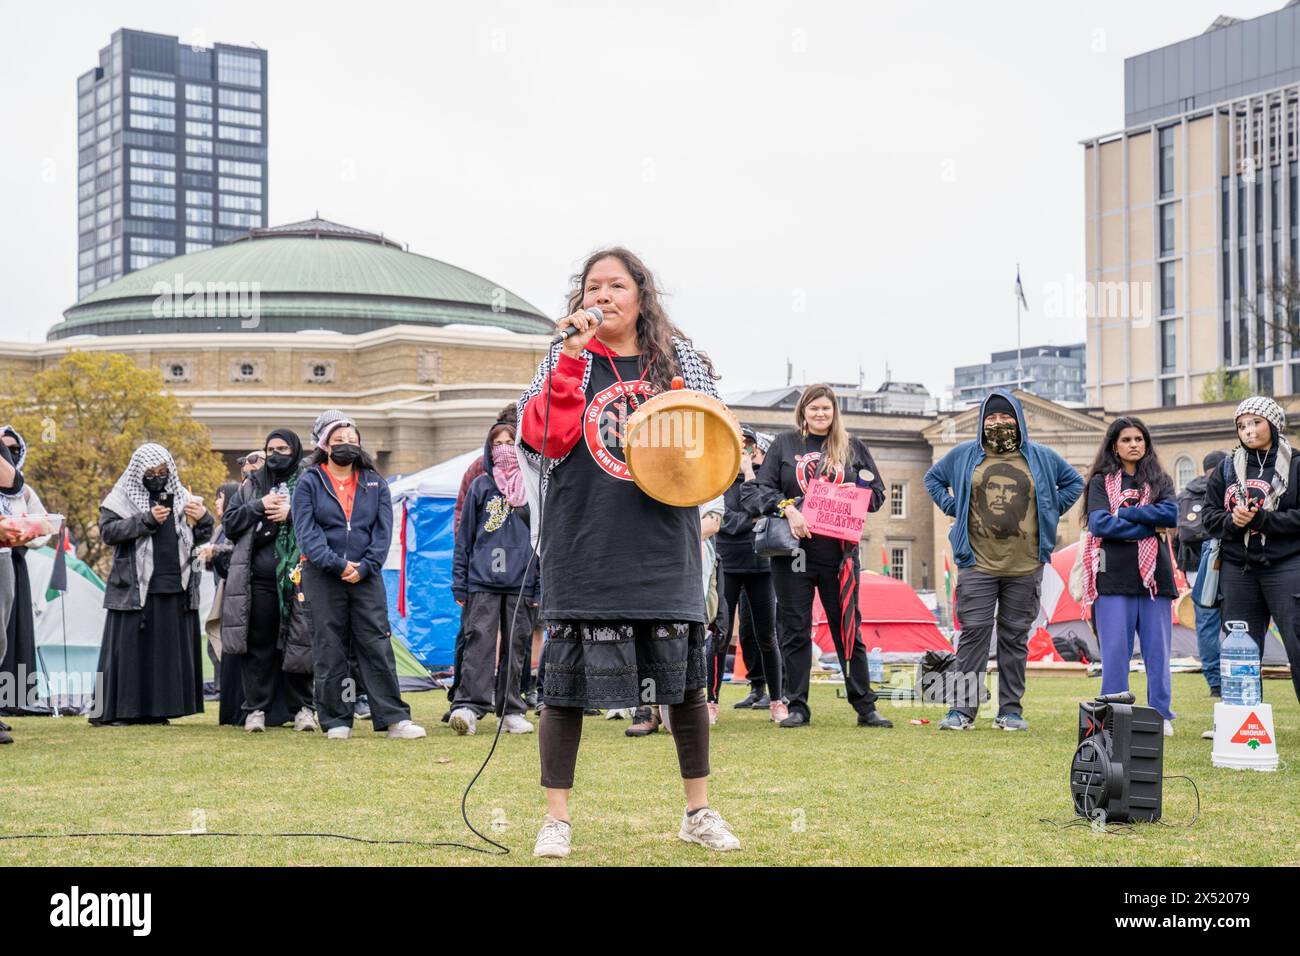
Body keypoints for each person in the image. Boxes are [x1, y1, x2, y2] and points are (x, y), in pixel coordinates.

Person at [517, 247, 741, 858]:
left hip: (662, 544)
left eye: (616, 285)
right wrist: (566, 362)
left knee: (684, 686)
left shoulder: (679, 358)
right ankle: (556, 819)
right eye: (592, 287)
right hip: (583, 540)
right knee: (563, 690)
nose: (603, 296)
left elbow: (711, 439)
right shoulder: (564, 357)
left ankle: (697, 811)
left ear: (641, 294)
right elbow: (542, 442)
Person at [924, 390, 1084, 732]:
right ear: (982, 422)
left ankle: (1010, 711)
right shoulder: (965, 455)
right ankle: (961, 711)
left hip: (1025, 566)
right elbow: (933, 479)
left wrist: (1050, 512)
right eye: (991, 418)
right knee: (973, 636)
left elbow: (1074, 483)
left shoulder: (1040, 457)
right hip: (976, 563)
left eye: (1005, 417)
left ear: (1019, 420)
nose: (998, 423)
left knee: (1014, 638)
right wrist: (956, 508)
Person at [743, 383, 891, 730]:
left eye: (826, 408)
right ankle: (798, 706)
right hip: (794, 554)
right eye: (814, 409)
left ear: (834, 412)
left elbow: (878, 494)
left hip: (839, 555)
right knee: (794, 630)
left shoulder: (852, 447)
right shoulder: (784, 444)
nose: (820, 414)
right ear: (803, 412)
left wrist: (852, 494)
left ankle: (865, 707)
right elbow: (761, 491)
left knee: (848, 630)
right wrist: (787, 510)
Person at [292, 412, 425, 740]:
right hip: (322, 575)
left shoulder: (375, 482)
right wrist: (338, 565)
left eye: (352, 440)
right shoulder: (309, 481)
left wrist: (364, 567)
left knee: (376, 643)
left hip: (366, 576)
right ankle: (337, 719)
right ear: (324, 445)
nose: (346, 446)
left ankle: (394, 718)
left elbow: (383, 532)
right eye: (338, 441)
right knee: (329, 645)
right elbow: (307, 533)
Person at [91, 443, 213, 726]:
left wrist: (204, 517)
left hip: (175, 584)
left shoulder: (182, 496)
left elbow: (201, 537)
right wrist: (146, 520)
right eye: (151, 472)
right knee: (130, 651)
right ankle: (122, 711)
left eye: (162, 472)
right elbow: (108, 532)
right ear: (139, 473)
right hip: (135, 587)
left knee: (165, 652)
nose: (157, 477)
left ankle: (160, 711)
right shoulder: (120, 498)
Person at [1079, 417, 1179, 735]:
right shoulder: (1100, 482)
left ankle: (1160, 714)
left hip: (1155, 580)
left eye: (1139, 438)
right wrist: (1150, 525)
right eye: (1126, 439)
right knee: (1114, 653)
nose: (1134, 444)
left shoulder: (1160, 480)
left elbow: (1171, 515)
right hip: (1112, 577)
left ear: (1146, 443)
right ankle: (1113, 715)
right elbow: (1098, 524)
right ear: (1114, 445)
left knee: (1157, 653)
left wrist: (1123, 513)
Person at [1201, 396, 1300, 705]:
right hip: (1238, 568)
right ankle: (1241, 721)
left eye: (1256, 422)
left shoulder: (1296, 464)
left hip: (1286, 566)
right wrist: (1233, 521)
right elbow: (1208, 517)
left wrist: (1263, 520)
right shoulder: (1227, 467)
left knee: (1297, 645)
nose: (1249, 430)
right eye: (1242, 425)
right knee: (1239, 648)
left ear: (1273, 424)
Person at [222, 429, 317, 733]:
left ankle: (303, 708)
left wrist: (292, 513)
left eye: (283, 448)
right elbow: (230, 524)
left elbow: (323, 521)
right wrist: (259, 506)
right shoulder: (251, 485)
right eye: (270, 448)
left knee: (299, 644)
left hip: (298, 579)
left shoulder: (308, 481)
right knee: (259, 646)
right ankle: (256, 710)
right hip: (259, 580)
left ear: (296, 450)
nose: (276, 454)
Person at [448, 418, 538, 736]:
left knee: (516, 646)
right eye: (496, 443)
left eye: (508, 443)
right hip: (482, 580)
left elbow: (543, 539)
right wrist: (460, 580)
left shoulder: (534, 486)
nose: (502, 449)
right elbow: (465, 537)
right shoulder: (481, 486)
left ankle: (511, 708)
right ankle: (469, 706)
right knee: (479, 644)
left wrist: (539, 584)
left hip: (522, 580)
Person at [719, 426, 783, 716]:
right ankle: (711, 701)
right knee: (720, 634)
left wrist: (749, 475)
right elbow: (725, 521)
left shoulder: (760, 478)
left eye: (749, 445)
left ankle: (776, 699)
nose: (744, 450)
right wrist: (753, 519)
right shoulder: (716, 477)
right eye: (739, 444)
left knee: (766, 634)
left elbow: (762, 507)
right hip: (727, 563)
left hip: (760, 564)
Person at [0, 427, 51, 718]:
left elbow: (43, 523)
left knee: (16, 628)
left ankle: (17, 695)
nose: (10, 454)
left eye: (13, 449)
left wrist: (28, 534)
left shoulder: (23, 490)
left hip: (16, 559)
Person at [1175, 450, 1228, 699]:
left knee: (1206, 624)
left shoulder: (1185, 493)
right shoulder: (1227, 486)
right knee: (1235, 621)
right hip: (1225, 559)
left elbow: (1176, 536)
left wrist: (1183, 566)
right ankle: (1235, 675)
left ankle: (1214, 682)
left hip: (1195, 567)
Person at [197, 480, 239, 707]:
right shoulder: (219, 529)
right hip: (218, 591)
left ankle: (226, 690)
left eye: (220, 497)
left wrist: (215, 552)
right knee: (214, 644)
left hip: (231, 594)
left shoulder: (233, 528)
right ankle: (220, 689)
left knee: (225, 643)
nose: (216, 502)